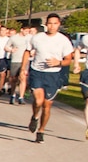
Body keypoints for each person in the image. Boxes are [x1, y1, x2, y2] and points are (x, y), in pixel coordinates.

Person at [25, 12, 77, 142]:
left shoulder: (63, 40)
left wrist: (58, 62)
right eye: (50, 23)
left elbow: (68, 60)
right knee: (38, 101)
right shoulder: (37, 37)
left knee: (47, 105)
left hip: (53, 74)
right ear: (46, 24)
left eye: (55, 23)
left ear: (59, 24)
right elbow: (27, 52)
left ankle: (41, 131)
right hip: (37, 71)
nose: (52, 26)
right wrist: (23, 69)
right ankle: (35, 116)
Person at [4, 22, 33, 104]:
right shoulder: (14, 38)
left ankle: (21, 97)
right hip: (15, 60)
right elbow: (6, 47)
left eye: (28, 31)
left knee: (23, 78)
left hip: (25, 61)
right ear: (22, 30)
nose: (27, 33)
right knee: (14, 79)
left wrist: (33, 52)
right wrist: (11, 50)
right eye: (26, 31)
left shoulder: (30, 38)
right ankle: (12, 95)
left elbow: (34, 47)